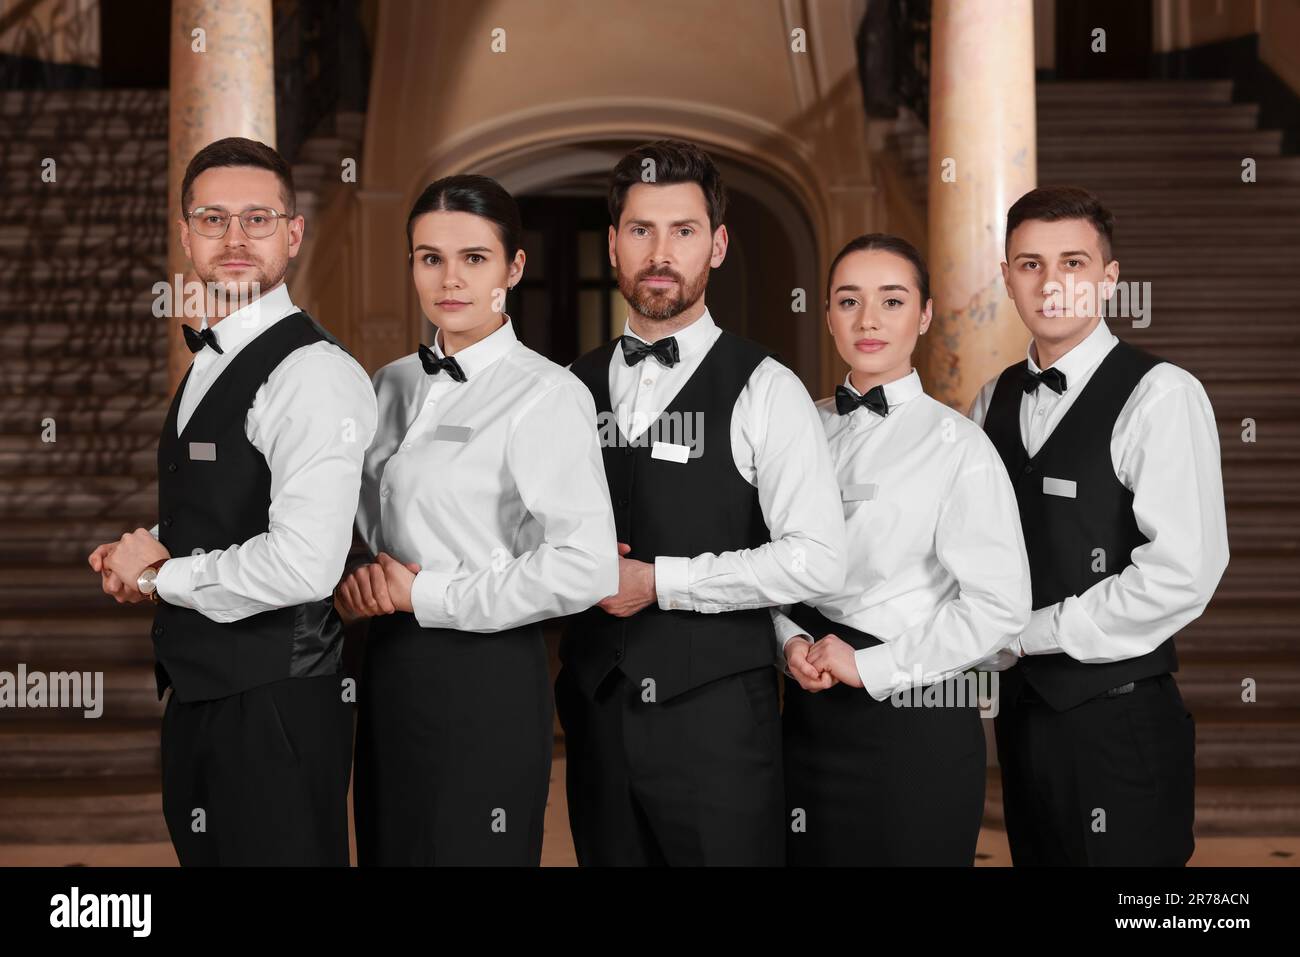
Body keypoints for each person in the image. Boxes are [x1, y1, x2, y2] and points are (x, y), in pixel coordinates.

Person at [557, 139, 848, 866]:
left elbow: (815, 559)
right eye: (640, 230)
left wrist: (659, 581)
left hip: (717, 725)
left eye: (683, 231)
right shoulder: (566, 386)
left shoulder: (767, 387)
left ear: (717, 246)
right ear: (614, 246)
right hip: (596, 715)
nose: (661, 252)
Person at [90, 136, 377, 865]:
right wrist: (148, 547)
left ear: (293, 232)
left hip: (277, 701)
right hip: (202, 691)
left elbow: (308, 565)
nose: (236, 238)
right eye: (213, 219)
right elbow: (234, 499)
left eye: (258, 218)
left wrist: (162, 575)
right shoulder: (211, 358)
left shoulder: (314, 373)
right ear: (185, 235)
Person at [336, 174, 618, 866]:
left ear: (514, 268)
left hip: (483, 676)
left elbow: (587, 565)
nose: (450, 278)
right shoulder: (389, 381)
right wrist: (356, 579)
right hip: (385, 669)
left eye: (474, 258)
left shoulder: (547, 393)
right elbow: (360, 521)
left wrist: (422, 593)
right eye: (430, 257)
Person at [969, 185, 1229, 866]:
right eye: (1029, 264)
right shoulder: (991, 398)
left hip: (1119, 719)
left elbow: (1181, 574)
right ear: (1006, 278)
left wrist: (1031, 631)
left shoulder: (1161, 394)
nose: (1051, 284)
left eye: (1074, 263)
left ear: (1109, 279)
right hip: (1022, 719)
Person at [771, 233, 1031, 865]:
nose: (868, 320)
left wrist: (873, 667)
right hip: (805, 717)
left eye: (891, 301)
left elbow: (1001, 607)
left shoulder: (959, 446)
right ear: (827, 314)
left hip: (916, 721)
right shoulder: (797, 427)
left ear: (925, 314)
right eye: (848, 301)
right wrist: (786, 641)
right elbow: (769, 562)